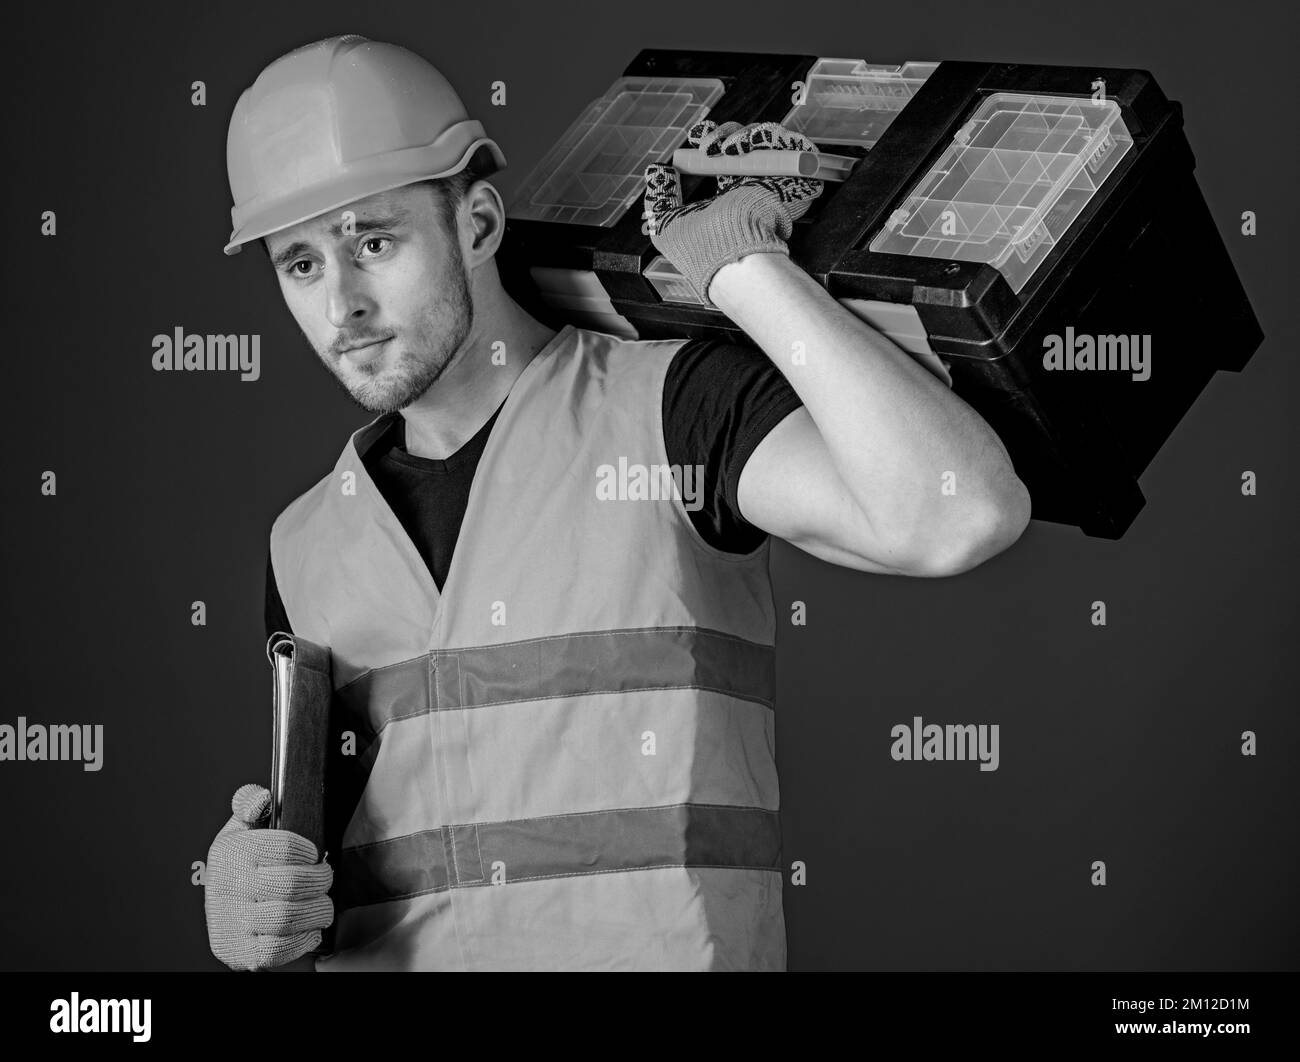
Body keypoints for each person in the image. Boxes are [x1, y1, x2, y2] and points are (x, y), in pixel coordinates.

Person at [204, 34, 1031, 972]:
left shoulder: (670, 412)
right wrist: (264, 901)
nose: (340, 305)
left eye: (374, 243)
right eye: (299, 265)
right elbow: (340, 874)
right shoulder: (305, 543)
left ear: (476, 226)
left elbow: (957, 513)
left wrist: (740, 268)